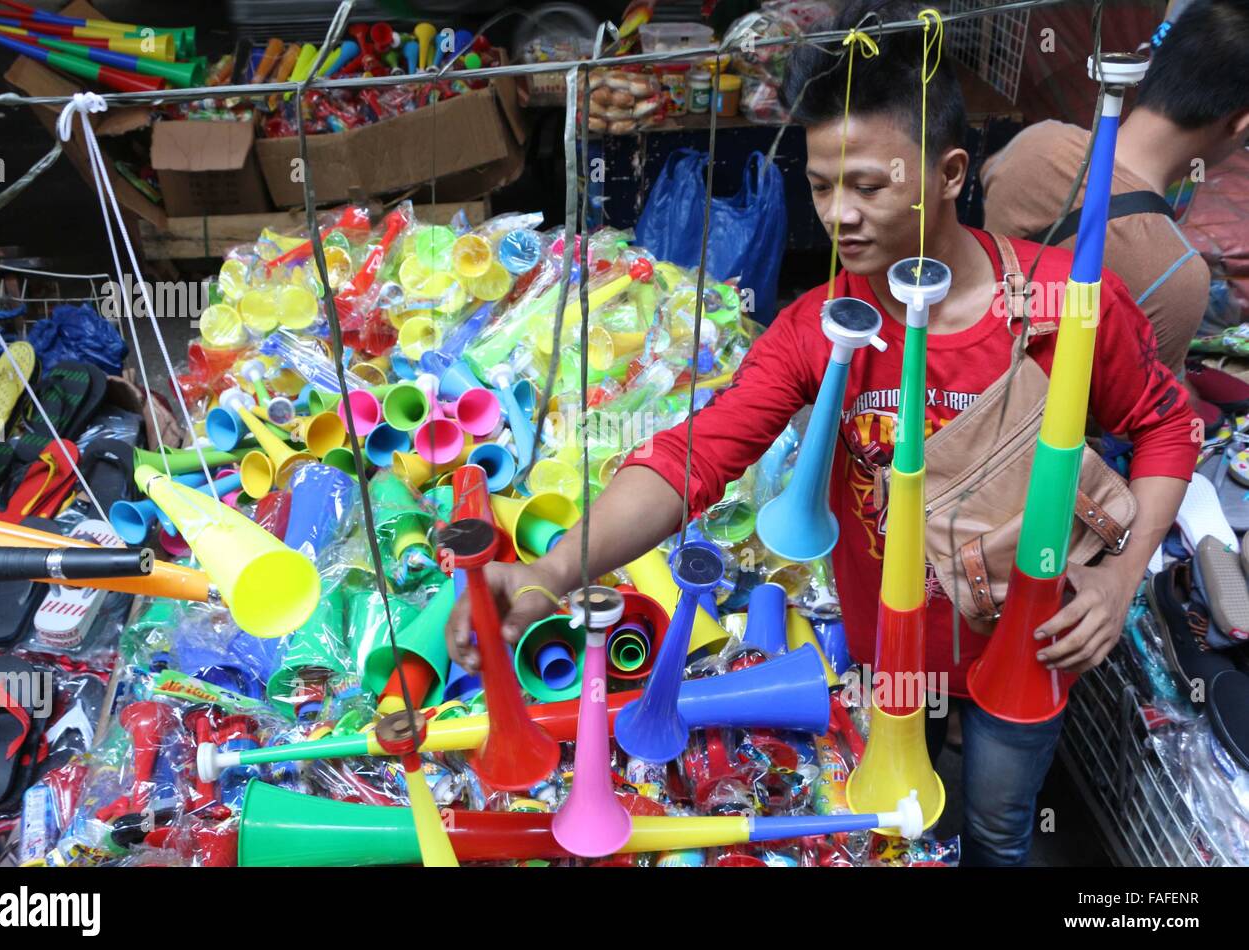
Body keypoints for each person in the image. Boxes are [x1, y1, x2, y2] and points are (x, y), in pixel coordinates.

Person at [445, 0, 1198, 865]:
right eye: (819, 185)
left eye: (869, 185)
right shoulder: (817, 327)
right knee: (897, 825)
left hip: (1030, 646)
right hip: (888, 655)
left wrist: (1119, 580)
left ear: (952, 173)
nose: (839, 214)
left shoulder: (1064, 301)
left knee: (998, 827)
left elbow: (1167, 430)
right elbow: (694, 456)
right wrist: (549, 570)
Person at [982, 0, 1249, 377]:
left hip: (967, 379)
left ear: (1154, 63)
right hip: (1051, 430)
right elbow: (1141, 418)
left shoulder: (1034, 144)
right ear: (1239, 122)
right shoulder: (1177, 277)